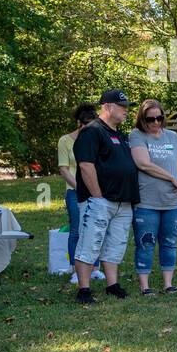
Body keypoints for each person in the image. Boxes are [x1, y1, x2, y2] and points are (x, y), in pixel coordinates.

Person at [72, 90, 140, 304]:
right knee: (90, 243)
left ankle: (112, 284)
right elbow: (86, 165)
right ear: (107, 107)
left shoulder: (120, 134)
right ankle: (84, 288)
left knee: (116, 244)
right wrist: (97, 196)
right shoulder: (92, 132)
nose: (126, 111)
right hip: (100, 200)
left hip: (123, 201)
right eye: (122, 107)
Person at [129, 99, 177, 295]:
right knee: (145, 241)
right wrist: (172, 177)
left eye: (159, 118)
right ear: (142, 119)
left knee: (169, 242)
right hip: (147, 201)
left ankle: (168, 283)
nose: (156, 122)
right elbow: (143, 164)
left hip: (173, 201)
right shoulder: (137, 136)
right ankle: (145, 285)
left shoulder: (172, 136)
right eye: (151, 119)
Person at [58, 103, 103, 285]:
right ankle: (76, 269)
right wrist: (79, 187)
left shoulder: (98, 139)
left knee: (96, 229)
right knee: (77, 230)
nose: (89, 128)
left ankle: (95, 268)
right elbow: (64, 169)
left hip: (96, 190)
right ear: (78, 123)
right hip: (74, 191)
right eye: (86, 124)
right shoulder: (65, 141)